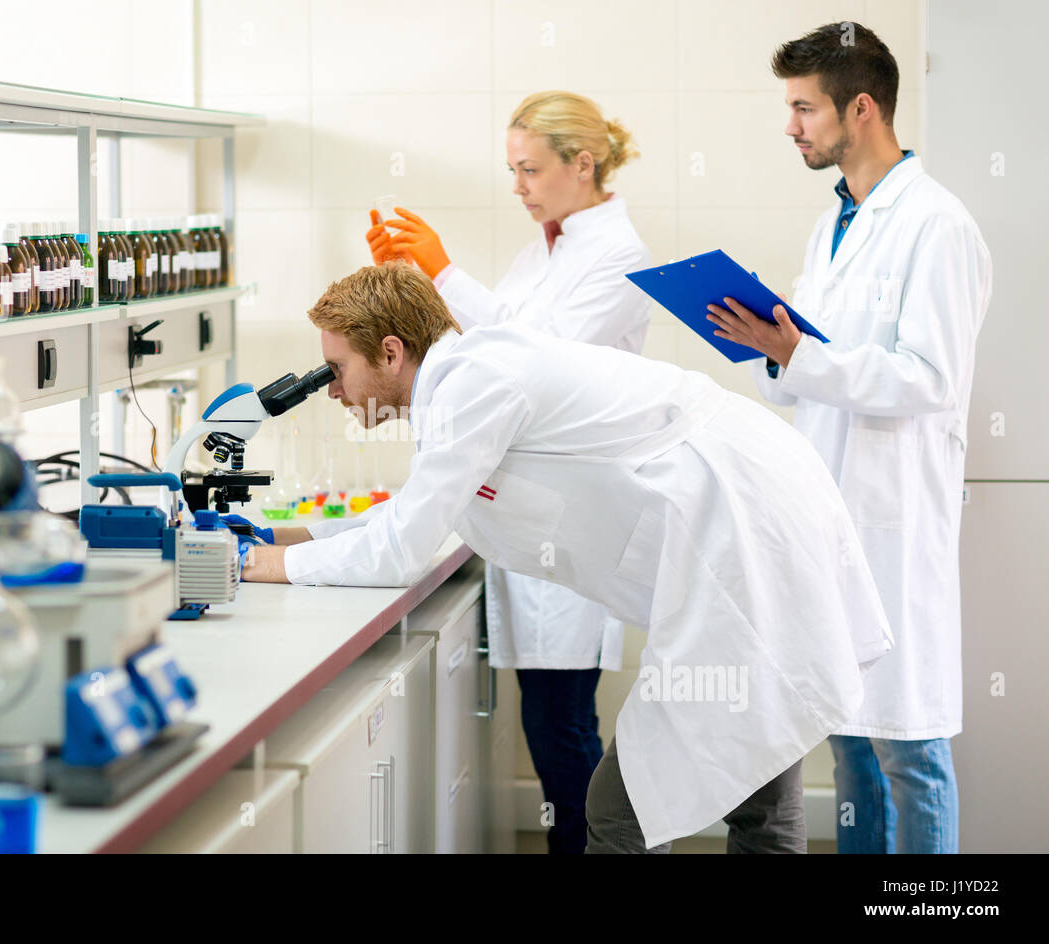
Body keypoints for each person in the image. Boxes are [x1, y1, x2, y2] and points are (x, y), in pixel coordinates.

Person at [240, 262, 895, 852]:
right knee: (756, 770)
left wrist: (270, 568)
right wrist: (285, 540)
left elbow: (405, 545)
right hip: (749, 516)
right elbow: (413, 510)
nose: (331, 390)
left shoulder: (474, 384)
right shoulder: (465, 383)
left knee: (625, 807)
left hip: (740, 530)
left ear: (389, 352)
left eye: (336, 370)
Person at [705, 22, 991, 854]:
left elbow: (930, 380)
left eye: (804, 108)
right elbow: (815, 373)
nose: (791, 125)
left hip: (894, 520)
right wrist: (775, 352)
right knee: (851, 744)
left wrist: (802, 354)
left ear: (860, 108)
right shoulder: (833, 226)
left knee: (911, 748)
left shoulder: (936, 225)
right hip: (829, 517)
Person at [364, 91, 652, 855]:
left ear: (581, 164)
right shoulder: (547, 249)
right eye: (512, 169)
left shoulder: (617, 254)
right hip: (535, 515)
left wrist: (445, 269)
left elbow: (539, 362)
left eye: (530, 169)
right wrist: (418, 282)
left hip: (575, 519)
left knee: (562, 726)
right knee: (551, 723)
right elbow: (493, 347)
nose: (518, 186)